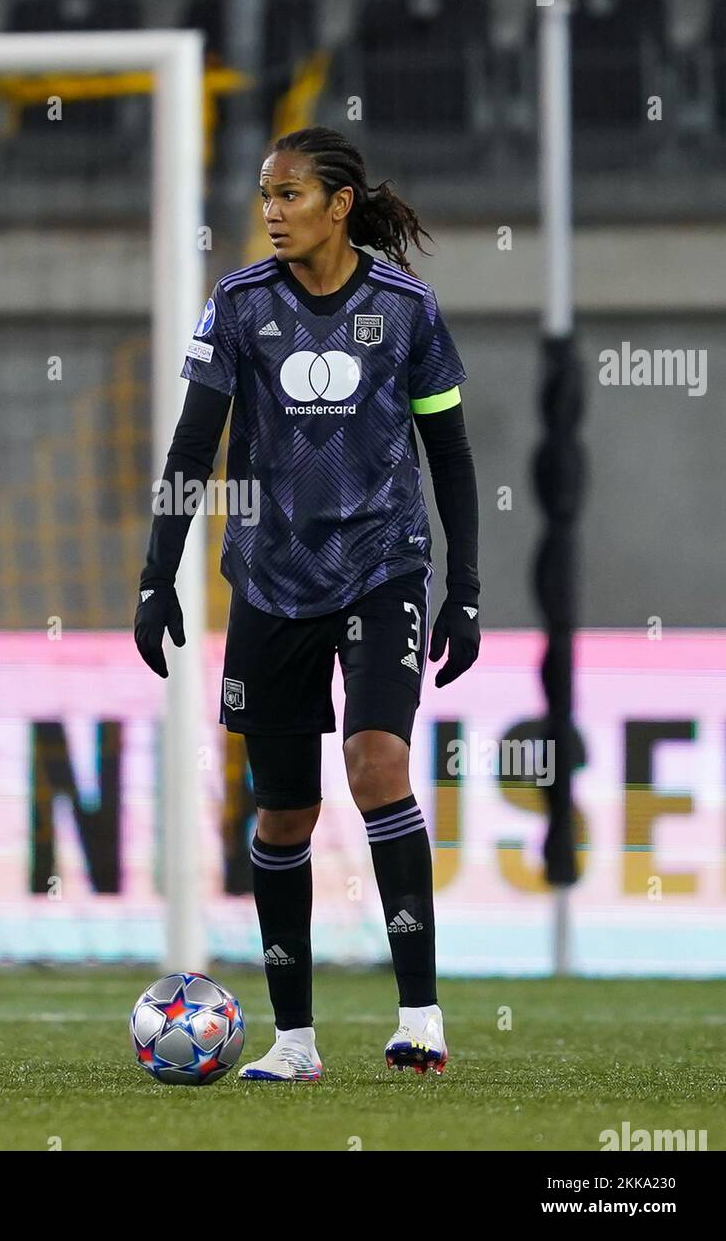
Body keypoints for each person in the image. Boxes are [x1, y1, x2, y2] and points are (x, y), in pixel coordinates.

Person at [134, 125, 480, 1080]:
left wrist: (467, 593)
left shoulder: (406, 309)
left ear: (339, 203)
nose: (272, 212)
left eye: (289, 195)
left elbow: (448, 453)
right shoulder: (240, 306)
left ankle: (422, 1020)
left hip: (382, 566)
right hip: (271, 579)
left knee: (377, 765)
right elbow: (192, 447)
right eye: (265, 196)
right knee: (283, 815)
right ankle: (295, 1041)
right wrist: (156, 576)